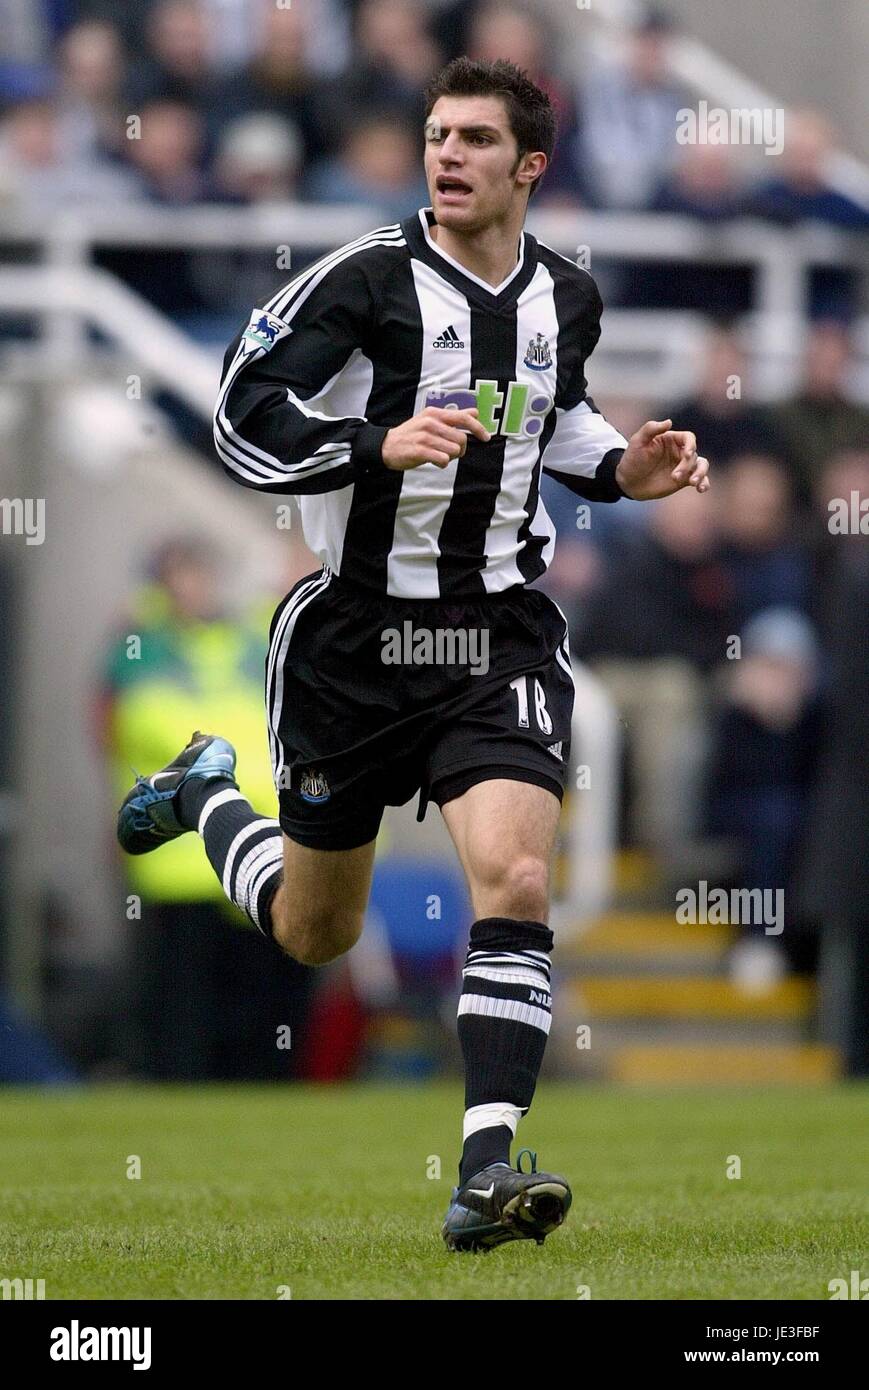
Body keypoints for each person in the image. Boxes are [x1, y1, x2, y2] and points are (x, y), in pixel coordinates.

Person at [116, 57, 710, 1253]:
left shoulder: (562, 299)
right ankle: (207, 793)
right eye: (437, 134)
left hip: (491, 631)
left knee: (517, 878)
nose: (446, 155)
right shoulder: (368, 278)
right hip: (352, 642)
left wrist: (619, 470)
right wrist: (370, 444)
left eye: (475, 139)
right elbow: (240, 411)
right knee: (313, 929)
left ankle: (486, 1165)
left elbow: (554, 413)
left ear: (528, 165)